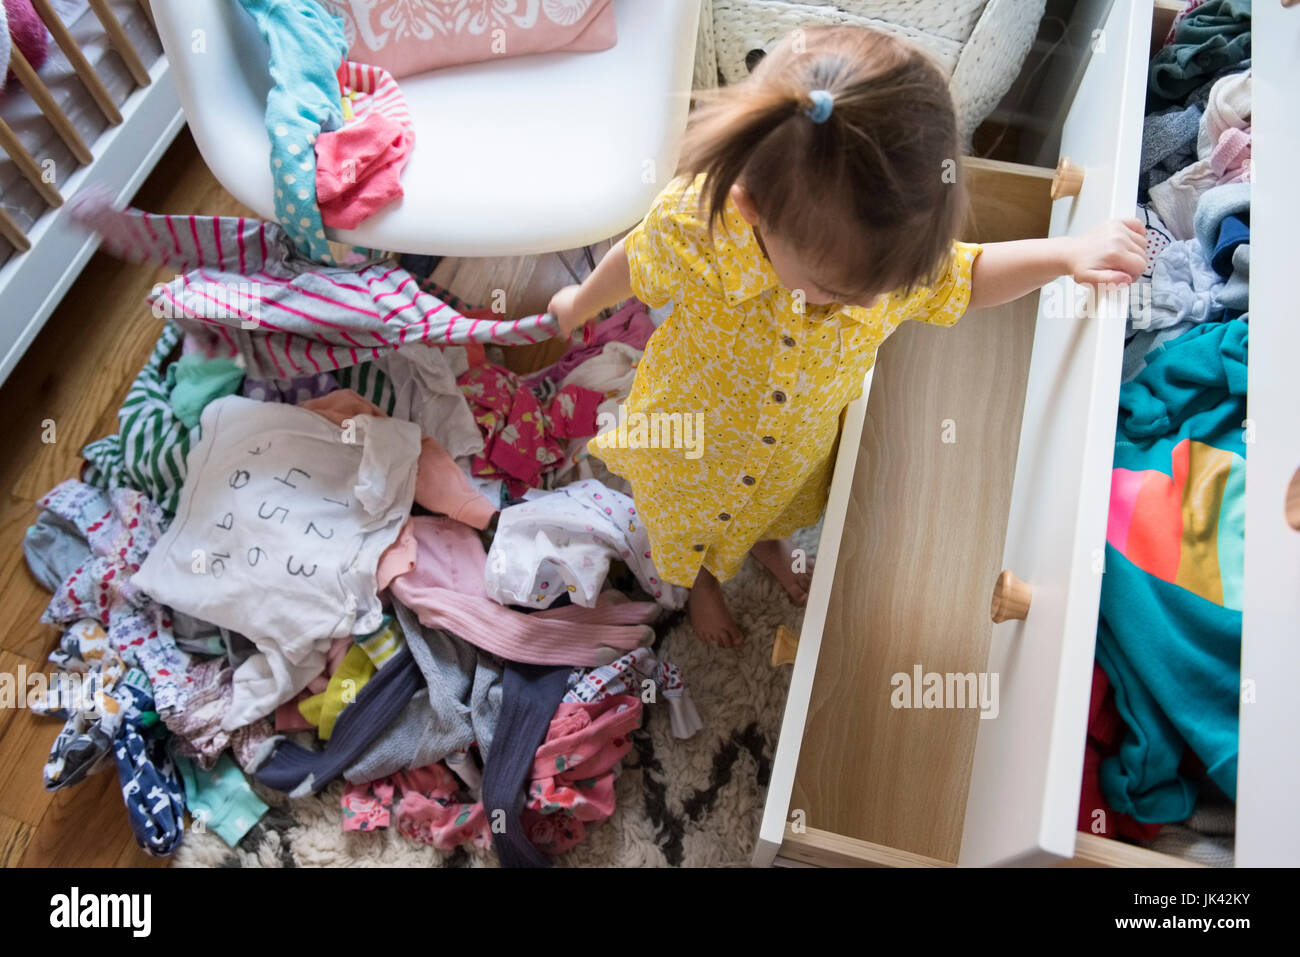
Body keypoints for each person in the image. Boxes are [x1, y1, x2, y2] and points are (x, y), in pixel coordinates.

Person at [547, 26, 1145, 646]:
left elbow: (970, 276)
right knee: (686, 524)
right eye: (835, 288)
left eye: (882, 287)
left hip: (793, 447)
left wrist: (1067, 254)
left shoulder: (880, 261)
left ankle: (765, 542)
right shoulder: (698, 223)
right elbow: (635, 260)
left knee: (771, 508)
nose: (865, 303)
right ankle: (700, 579)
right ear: (754, 210)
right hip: (689, 443)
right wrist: (580, 301)